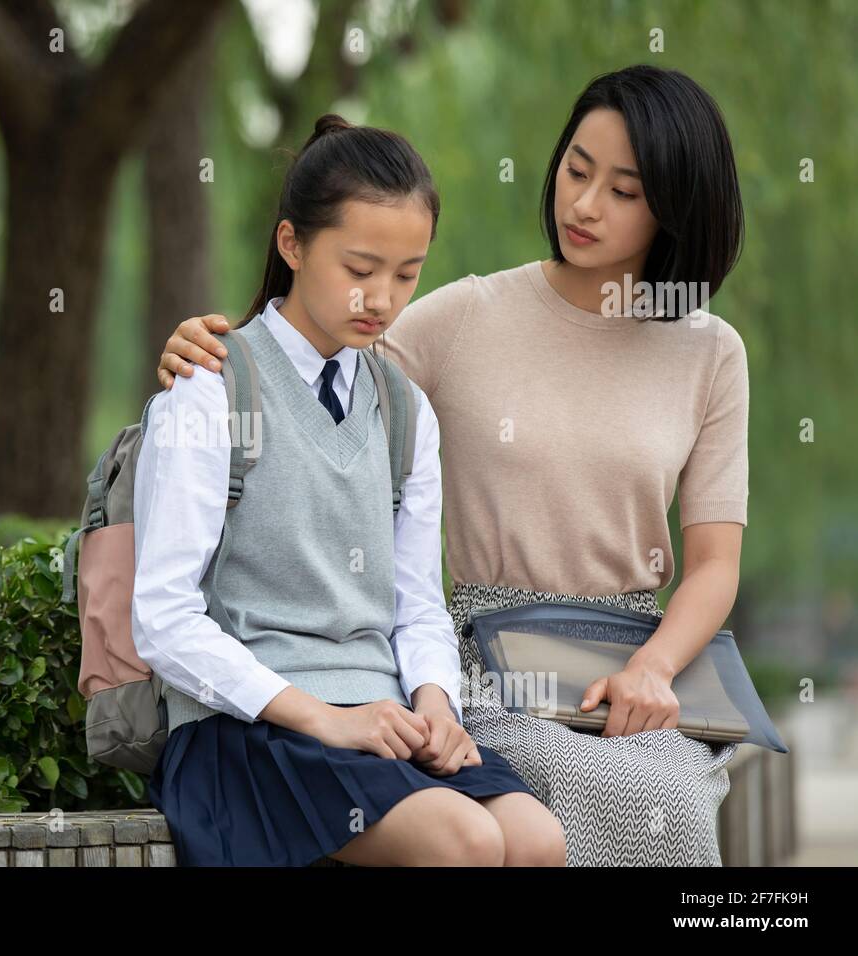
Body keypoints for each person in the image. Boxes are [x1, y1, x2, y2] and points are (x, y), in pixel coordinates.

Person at [153, 66, 749, 866]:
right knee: (574, 802)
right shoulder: (469, 314)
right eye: (577, 169)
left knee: (674, 801)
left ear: (678, 203)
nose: (584, 204)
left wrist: (654, 668)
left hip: (629, 667)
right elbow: (312, 349)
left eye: (625, 190)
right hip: (492, 661)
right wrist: (202, 350)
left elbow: (714, 564)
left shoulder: (710, 354)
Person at [133, 113, 564, 867]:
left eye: (407, 273)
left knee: (535, 841)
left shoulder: (404, 411)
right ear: (292, 244)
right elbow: (163, 618)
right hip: (248, 729)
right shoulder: (210, 389)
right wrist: (325, 720)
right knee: (462, 842)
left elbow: (417, 603)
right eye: (359, 268)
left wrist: (434, 703)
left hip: (381, 724)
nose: (383, 299)